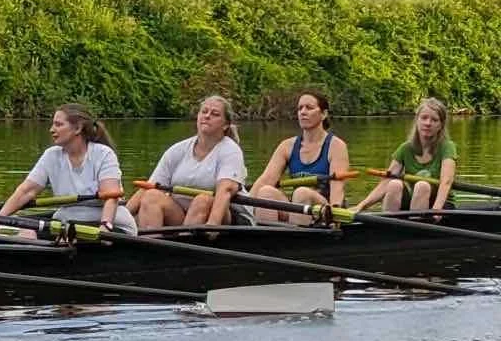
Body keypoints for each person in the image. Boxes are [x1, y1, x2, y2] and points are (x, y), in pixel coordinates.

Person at [0, 103, 137, 236]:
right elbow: (25, 192)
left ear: (77, 128)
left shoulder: (103, 154)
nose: (51, 129)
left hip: (111, 225)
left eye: (58, 125)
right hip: (67, 223)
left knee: (68, 237)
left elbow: (110, 196)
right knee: (26, 234)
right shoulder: (51, 155)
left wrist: (105, 227)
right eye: (53, 124)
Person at [128, 95, 248, 230]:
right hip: (181, 215)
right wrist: (121, 216)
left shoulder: (230, 150)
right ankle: (152, 244)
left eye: (215, 114)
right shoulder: (178, 149)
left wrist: (212, 225)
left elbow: (225, 190)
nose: (207, 116)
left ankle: (183, 244)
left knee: (202, 200)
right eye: (204, 112)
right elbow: (150, 186)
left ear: (225, 125)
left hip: (222, 216)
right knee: (151, 196)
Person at [251, 88, 349, 224]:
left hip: (324, 209)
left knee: (302, 192)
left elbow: (337, 188)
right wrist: (244, 206)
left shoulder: (336, 146)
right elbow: (266, 179)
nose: (303, 112)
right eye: (300, 108)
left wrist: (334, 213)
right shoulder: (287, 146)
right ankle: (266, 240)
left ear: (323, 114)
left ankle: (297, 241)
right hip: (299, 208)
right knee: (265, 191)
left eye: (309, 108)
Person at [354, 96, 456, 213]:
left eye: (434, 120)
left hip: (441, 205)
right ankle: (389, 226)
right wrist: (361, 206)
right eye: (424, 118)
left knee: (422, 186)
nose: (428, 123)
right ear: (417, 120)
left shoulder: (447, 147)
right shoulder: (405, 148)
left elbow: (446, 181)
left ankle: (416, 226)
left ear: (441, 125)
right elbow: (385, 182)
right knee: (394, 184)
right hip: (416, 200)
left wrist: (437, 209)